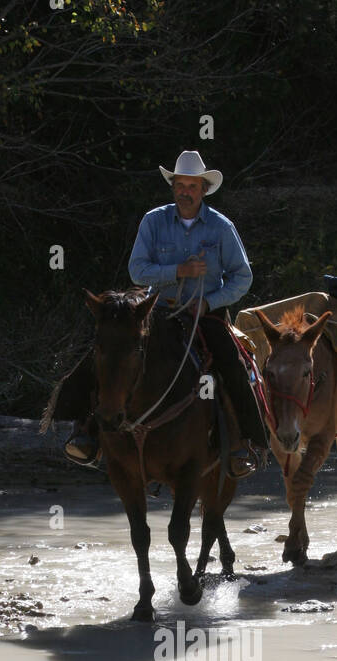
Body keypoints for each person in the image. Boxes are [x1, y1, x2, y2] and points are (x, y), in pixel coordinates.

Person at [60, 150, 268, 477]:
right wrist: (178, 270)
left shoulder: (221, 227)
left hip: (205, 315)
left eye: (192, 186)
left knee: (233, 365)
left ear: (203, 189)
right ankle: (86, 433)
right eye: (180, 185)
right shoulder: (153, 221)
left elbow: (243, 277)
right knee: (105, 354)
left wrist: (209, 302)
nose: (185, 191)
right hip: (154, 313)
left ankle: (245, 443)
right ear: (173, 187)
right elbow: (137, 270)